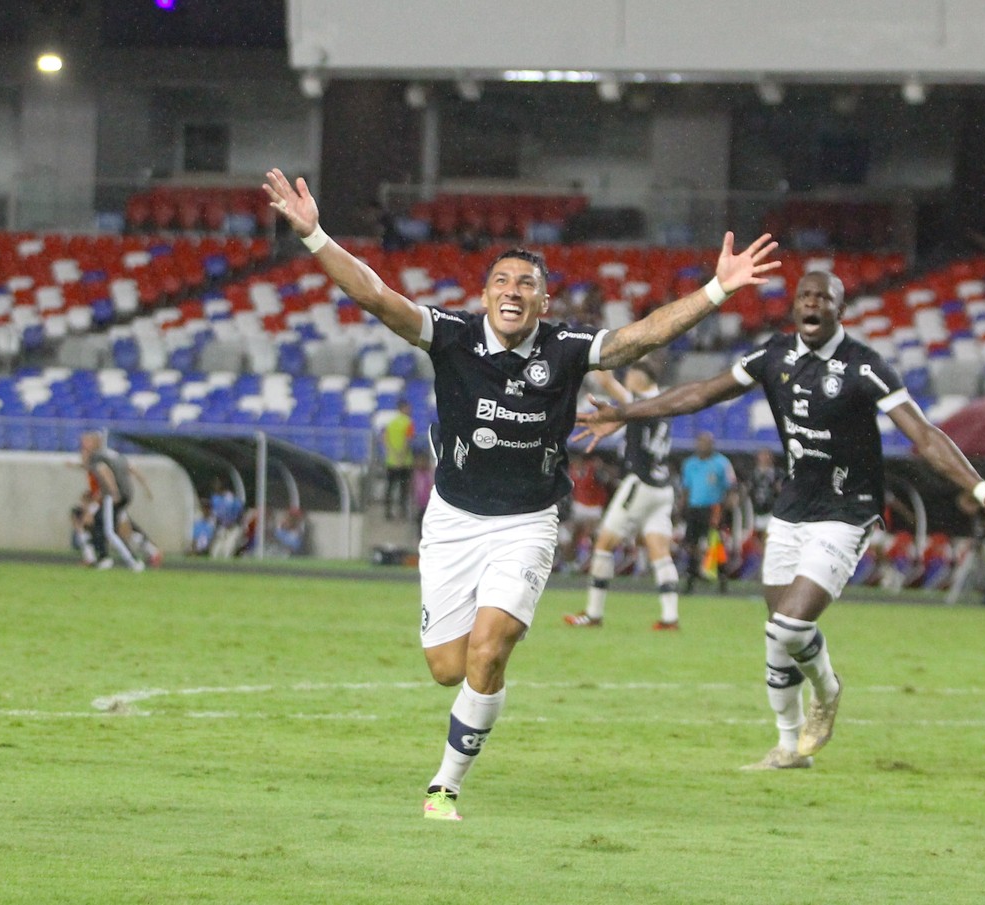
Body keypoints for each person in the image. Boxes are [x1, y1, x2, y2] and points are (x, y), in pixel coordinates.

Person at [263, 165, 779, 820]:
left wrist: (716, 289)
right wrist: (315, 236)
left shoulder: (567, 348)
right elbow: (376, 296)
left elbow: (639, 338)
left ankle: (445, 785)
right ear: (485, 295)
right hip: (452, 519)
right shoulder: (451, 335)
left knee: (490, 648)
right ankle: (478, 700)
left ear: (544, 301)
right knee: (448, 668)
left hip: (527, 522)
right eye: (502, 281)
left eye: (526, 283)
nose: (513, 290)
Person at [575, 270, 985, 770]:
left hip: (847, 512)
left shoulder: (865, 366)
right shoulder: (774, 355)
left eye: (824, 297)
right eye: (805, 297)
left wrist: (982, 491)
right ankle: (788, 747)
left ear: (841, 309)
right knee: (777, 635)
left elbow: (924, 435)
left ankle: (828, 688)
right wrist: (627, 413)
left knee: (790, 627)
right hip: (792, 510)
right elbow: (702, 393)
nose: (813, 303)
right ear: (795, 307)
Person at [563, 363, 683, 629]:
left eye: (629, 375)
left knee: (604, 543)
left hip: (640, 483)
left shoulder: (640, 402)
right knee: (660, 551)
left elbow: (606, 382)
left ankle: (593, 613)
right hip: (662, 488)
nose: (626, 379)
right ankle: (670, 617)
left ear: (639, 378)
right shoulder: (664, 404)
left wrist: (599, 361)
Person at [679, 431, 736, 594]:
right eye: (700, 442)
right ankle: (691, 580)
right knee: (691, 545)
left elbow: (731, 487)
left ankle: (723, 581)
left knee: (716, 544)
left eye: (706, 442)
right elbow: (686, 488)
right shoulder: (689, 464)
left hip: (713, 508)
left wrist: (726, 508)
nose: (702, 446)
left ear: (712, 444)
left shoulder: (722, 463)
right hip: (694, 508)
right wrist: (682, 506)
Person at [80, 431, 146, 572]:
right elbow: (131, 467)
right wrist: (145, 486)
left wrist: (114, 491)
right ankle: (104, 557)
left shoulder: (97, 457)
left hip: (113, 495)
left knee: (110, 530)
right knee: (99, 520)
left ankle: (133, 561)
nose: (83, 445)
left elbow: (105, 472)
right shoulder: (111, 454)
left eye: (86, 442)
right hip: (126, 493)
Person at [384, 398, 416, 520]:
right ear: (403, 408)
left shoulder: (391, 422)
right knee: (404, 488)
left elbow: (385, 439)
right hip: (405, 461)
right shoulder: (408, 422)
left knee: (390, 487)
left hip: (391, 461)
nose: (410, 410)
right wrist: (401, 455)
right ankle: (402, 512)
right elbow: (408, 440)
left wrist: (392, 453)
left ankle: (388, 512)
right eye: (408, 407)